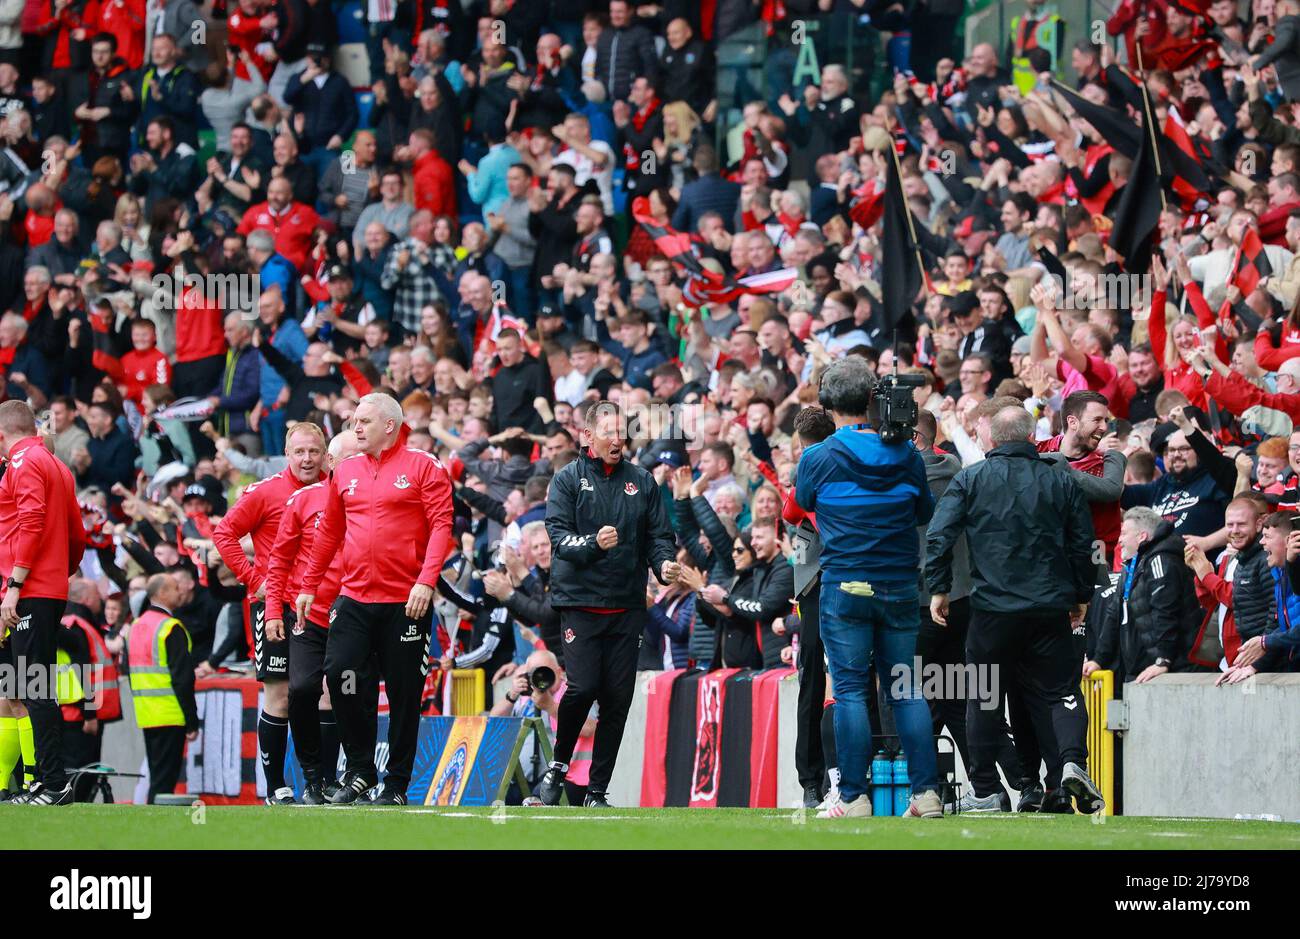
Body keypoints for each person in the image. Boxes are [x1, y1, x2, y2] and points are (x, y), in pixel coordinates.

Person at [926, 404, 1106, 814]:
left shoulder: (970, 479)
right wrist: (1081, 596)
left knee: (983, 697)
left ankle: (987, 789)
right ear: (1031, 437)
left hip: (992, 609)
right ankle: (1072, 763)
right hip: (1050, 607)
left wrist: (939, 589)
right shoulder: (1061, 481)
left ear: (991, 439)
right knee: (1061, 692)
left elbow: (939, 535)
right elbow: (1084, 544)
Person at [794, 357, 942, 820]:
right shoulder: (906, 453)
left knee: (852, 692)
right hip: (899, 585)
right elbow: (924, 513)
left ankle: (854, 797)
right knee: (907, 689)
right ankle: (927, 794)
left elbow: (802, 504)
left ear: (826, 403)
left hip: (845, 586)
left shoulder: (816, 457)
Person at [296, 393, 455, 805]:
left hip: (407, 601)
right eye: (353, 421)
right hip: (354, 597)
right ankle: (362, 770)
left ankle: (397, 784)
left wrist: (426, 580)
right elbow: (329, 533)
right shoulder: (345, 471)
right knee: (341, 673)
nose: (355, 428)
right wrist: (309, 586)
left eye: (363, 421)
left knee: (405, 693)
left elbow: (442, 526)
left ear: (389, 425)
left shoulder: (424, 466)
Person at [534, 401, 679, 807]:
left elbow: (658, 536)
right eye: (609, 432)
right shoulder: (566, 480)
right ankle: (559, 766)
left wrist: (664, 562)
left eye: (622, 433)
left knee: (618, 698)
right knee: (581, 688)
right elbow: (559, 539)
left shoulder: (643, 481)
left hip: (626, 605)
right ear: (587, 436)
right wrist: (594, 545)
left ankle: (596, 791)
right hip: (580, 603)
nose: (618, 440)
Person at [211, 422, 327, 805]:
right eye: (300, 452)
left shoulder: (336, 489)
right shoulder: (266, 492)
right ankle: (275, 785)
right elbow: (223, 533)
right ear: (287, 454)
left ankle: (322, 783)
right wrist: (252, 578)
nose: (307, 459)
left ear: (324, 453)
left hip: (322, 606)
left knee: (324, 693)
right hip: (273, 605)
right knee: (278, 696)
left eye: (314, 451)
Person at [262, 430, 362, 804]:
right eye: (346, 459)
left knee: (347, 692)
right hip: (308, 616)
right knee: (301, 689)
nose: (354, 465)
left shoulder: (374, 501)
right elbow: (279, 559)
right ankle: (312, 775)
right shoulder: (303, 499)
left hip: (356, 617)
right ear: (331, 463)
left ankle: (347, 776)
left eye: (360, 458)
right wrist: (273, 608)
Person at [0, 400, 86, 804]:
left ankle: (53, 784)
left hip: (28, 588)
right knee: (27, 685)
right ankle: (41, 782)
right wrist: (58, 574)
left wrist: (17, 583)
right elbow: (76, 535)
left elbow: (31, 521)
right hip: (45, 587)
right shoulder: (58, 466)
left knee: (34, 688)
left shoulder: (23, 462)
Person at [126, 573, 198, 804]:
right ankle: (156, 827)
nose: (180, 592)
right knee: (164, 781)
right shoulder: (169, 627)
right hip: (170, 712)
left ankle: (151, 820)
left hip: (147, 712)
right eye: (175, 587)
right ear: (161, 593)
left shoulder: (136, 625)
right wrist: (191, 720)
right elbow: (183, 678)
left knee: (157, 776)